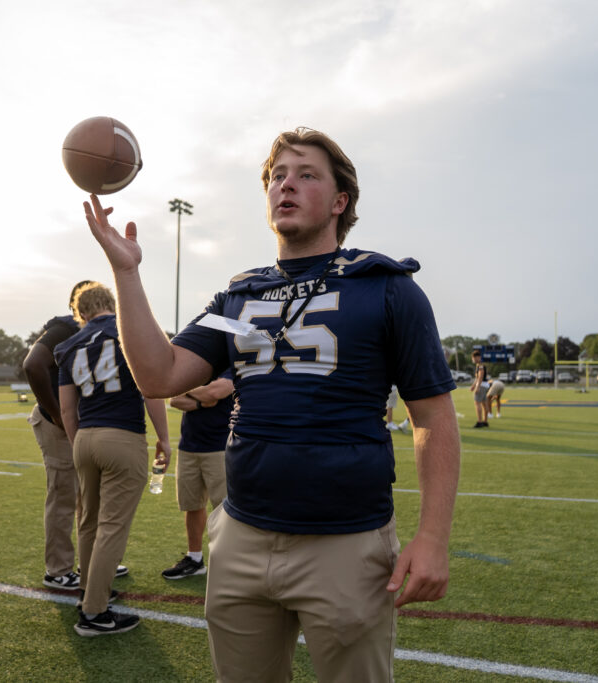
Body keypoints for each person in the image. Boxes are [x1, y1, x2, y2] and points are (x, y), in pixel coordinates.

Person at [81, 127, 461, 680]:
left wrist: (432, 537)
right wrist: (126, 272)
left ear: (340, 201)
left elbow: (433, 417)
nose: (287, 184)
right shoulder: (240, 296)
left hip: (347, 541)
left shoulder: (384, 286)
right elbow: (159, 375)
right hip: (242, 534)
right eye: (278, 176)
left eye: (306, 174)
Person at [55, 282, 171, 637]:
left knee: (88, 522)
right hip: (122, 435)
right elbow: (151, 388)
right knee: (112, 527)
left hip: (85, 437)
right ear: (112, 303)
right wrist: (164, 438)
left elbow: (67, 409)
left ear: (82, 312)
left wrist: (79, 443)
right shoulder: (126, 331)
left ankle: (89, 591)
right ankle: (94, 612)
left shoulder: (69, 345)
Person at [22, 281, 130, 590]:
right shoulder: (65, 328)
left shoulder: (105, 330)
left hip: (87, 423)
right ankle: (57, 570)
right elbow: (33, 364)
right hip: (59, 423)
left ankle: (93, 561)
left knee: (92, 497)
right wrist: (56, 413)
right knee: (64, 497)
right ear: (77, 307)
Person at [162, 371, 234, 579]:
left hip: (221, 446)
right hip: (189, 445)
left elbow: (218, 392)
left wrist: (190, 392)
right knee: (192, 505)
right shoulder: (198, 368)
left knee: (226, 508)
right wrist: (203, 401)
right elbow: (174, 399)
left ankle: (229, 561)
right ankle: (194, 559)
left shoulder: (229, 364)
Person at [469, 349, 489, 428]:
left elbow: (480, 376)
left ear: (477, 357)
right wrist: (473, 386)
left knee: (477, 403)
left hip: (482, 385)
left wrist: (477, 387)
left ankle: (479, 422)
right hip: (485, 385)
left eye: (473, 358)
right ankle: (485, 421)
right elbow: (477, 378)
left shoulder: (480, 365)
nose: (473, 359)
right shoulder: (479, 365)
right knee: (484, 403)